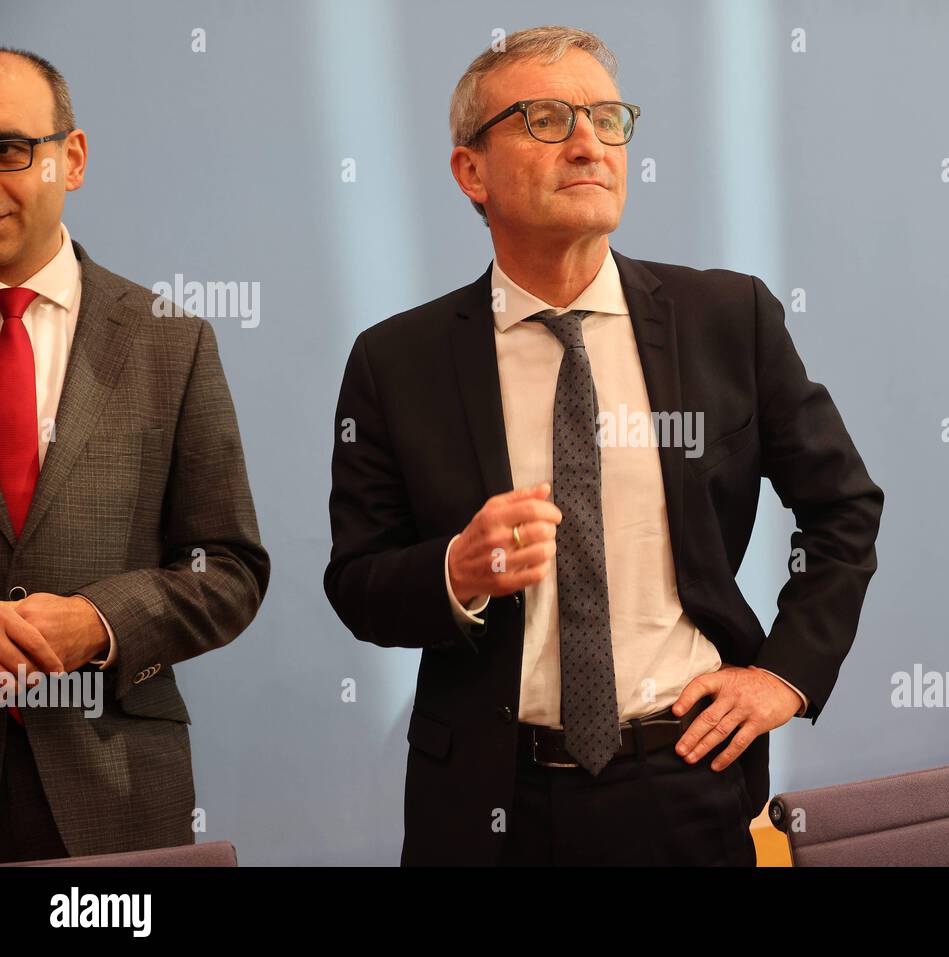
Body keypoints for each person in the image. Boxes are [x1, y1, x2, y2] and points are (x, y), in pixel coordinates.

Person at [323, 25, 882, 866]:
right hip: (483, 798)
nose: (588, 142)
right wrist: (455, 571)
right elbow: (358, 581)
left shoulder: (729, 320)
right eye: (545, 118)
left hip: (681, 779)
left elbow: (844, 509)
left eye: (607, 118)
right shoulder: (397, 359)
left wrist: (785, 675)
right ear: (470, 170)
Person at [0, 48, 269, 861]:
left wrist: (99, 620)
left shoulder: (168, 341)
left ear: (70, 159)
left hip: (109, 790)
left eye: (8, 149)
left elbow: (228, 570)